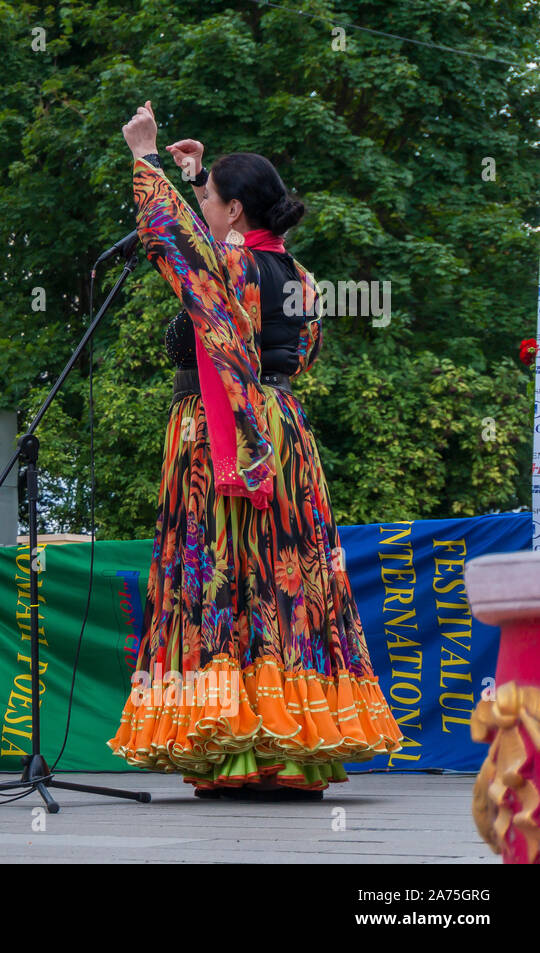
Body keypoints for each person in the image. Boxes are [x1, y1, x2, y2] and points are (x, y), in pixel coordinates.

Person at [107, 102, 402, 798]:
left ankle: (234, 742)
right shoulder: (302, 279)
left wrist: (146, 160)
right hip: (284, 434)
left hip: (223, 441)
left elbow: (173, 244)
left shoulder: (226, 269)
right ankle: (292, 747)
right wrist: (195, 174)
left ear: (235, 211)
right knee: (284, 579)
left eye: (209, 196)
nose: (201, 203)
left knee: (222, 577)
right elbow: (296, 346)